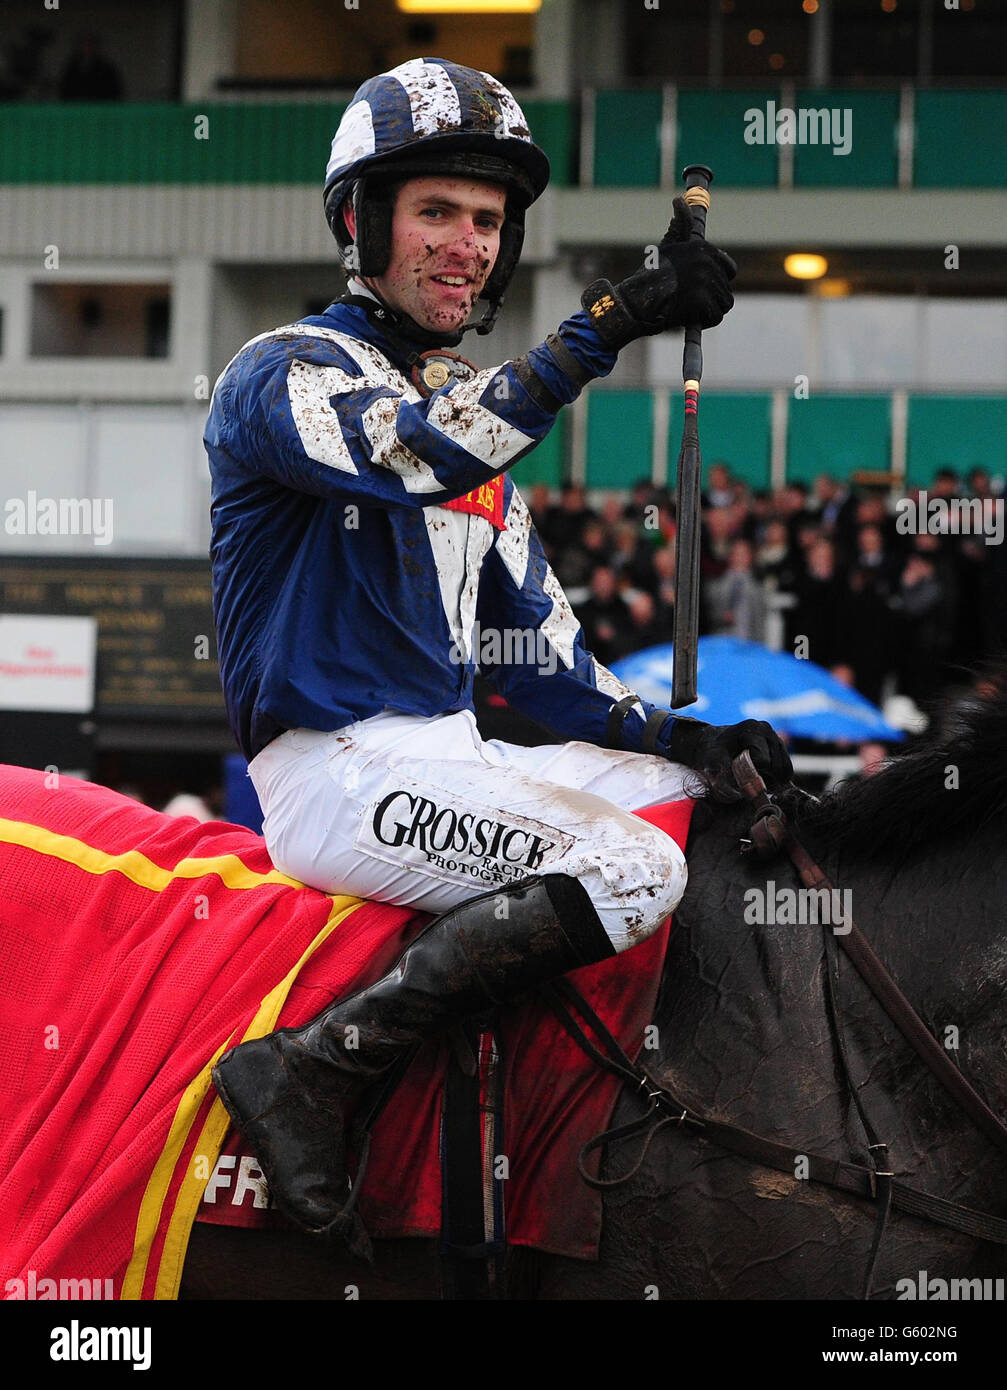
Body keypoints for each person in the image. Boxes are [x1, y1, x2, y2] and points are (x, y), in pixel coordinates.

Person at [203, 57, 791, 1246]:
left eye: (485, 220)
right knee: (634, 872)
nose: (465, 243)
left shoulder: (477, 409)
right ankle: (314, 1069)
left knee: (702, 802)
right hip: (335, 781)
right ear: (363, 224)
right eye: (434, 212)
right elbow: (421, 453)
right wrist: (613, 319)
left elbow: (542, 665)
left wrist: (689, 735)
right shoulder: (281, 372)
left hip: (447, 758)